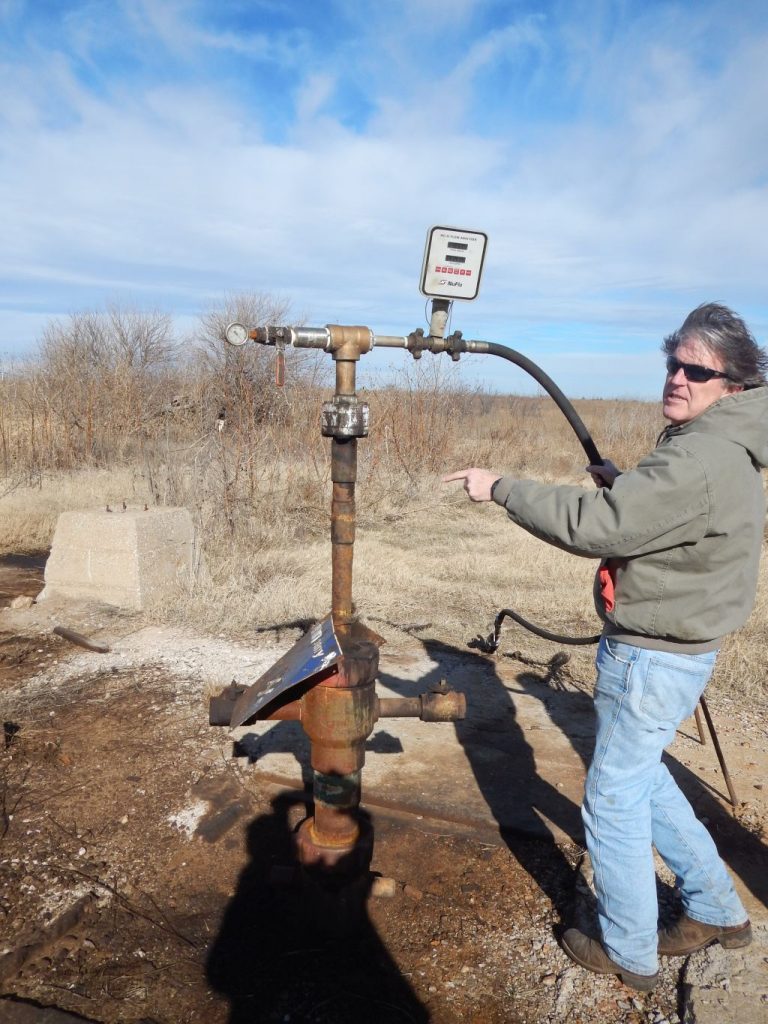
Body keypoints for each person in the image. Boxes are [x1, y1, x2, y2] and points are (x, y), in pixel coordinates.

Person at [443, 303, 766, 992]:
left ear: (733, 385)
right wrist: (630, 489)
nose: (677, 377)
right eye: (673, 362)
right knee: (642, 777)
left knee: (613, 800)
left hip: (652, 656)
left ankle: (628, 949)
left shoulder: (701, 454)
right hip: (679, 648)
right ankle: (716, 909)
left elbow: (599, 527)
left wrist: (501, 488)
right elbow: (669, 519)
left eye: (697, 371)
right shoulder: (726, 442)